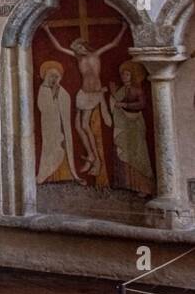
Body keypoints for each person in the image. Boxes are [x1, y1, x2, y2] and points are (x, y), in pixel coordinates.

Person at [42, 24, 127, 181]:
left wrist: (123, 27)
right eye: (75, 50)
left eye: (78, 48)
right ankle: (91, 155)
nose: (77, 51)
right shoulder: (78, 57)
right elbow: (59, 47)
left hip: (94, 94)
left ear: (83, 46)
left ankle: (93, 158)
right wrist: (47, 30)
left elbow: (113, 44)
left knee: (85, 126)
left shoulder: (96, 55)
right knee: (78, 126)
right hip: (82, 93)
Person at [109, 61, 154, 195]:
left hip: (136, 123)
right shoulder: (121, 90)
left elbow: (142, 104)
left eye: (127, 74)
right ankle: (128, 184)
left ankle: (145, 187)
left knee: (138, 151)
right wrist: (113, 93)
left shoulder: (137, 90)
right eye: (122, 74)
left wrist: (125, 105)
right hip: (124, 125)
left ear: (132, 76)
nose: (124, 77)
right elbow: (115, 103)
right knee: (125, 151)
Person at [36, 60, 80, 184]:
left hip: (61, 126)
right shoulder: (43, 89)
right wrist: (53, 95)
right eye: (51, 76)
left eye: (56, 77)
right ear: (46, 76)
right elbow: (42, 107)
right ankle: (49, 176)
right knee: (51, 148)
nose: (53, 79)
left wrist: (57, 94)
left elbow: (66, 102)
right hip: (49, 126)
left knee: (63, 146)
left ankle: (65, 175)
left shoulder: (62, 91)